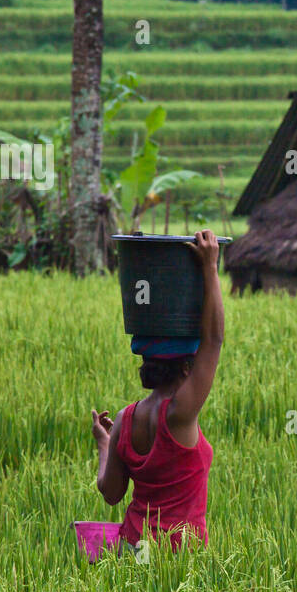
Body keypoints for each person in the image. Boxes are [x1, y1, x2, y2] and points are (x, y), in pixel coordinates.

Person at [91, 230, 224, 552]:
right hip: (176, 554)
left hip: (132, 546)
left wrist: (104, 444)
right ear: (186, 367)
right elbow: (213, 340)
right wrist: (210, 267)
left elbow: (110, 493)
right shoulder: (180, 413)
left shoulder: (125, 418)